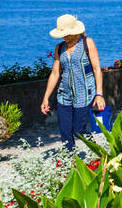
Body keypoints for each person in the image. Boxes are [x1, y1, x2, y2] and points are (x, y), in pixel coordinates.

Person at [40, 14, 106, 152]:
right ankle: (69, 163)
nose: (64, 37)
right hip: (64, 95)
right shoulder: (59, 47)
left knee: (79, 130)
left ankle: (97, 154)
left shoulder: (88, 43)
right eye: (62, 34)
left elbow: (96, 69)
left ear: (75, 32)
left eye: (67, 34)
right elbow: (55, 73)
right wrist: (46, 97)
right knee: (65, 131)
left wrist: (99, 94)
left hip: (85, 94)